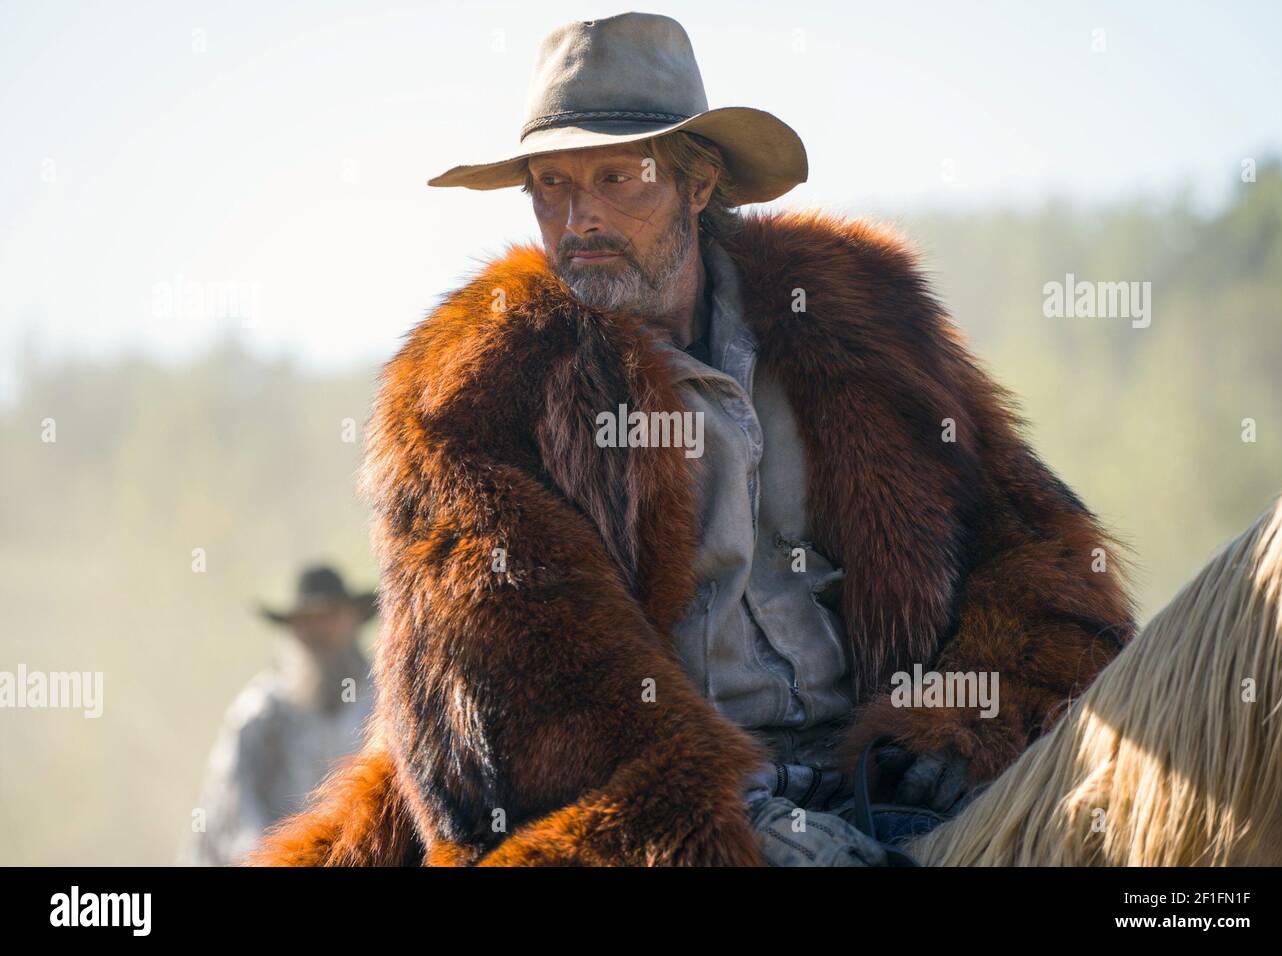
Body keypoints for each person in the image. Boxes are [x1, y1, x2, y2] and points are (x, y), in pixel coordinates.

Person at [252, 12, 1134, 867]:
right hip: (663, 816)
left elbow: (1035, 556)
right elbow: (511, 691)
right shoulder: (476, 389)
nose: (578, 220)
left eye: (617, 178)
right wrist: (739, 826)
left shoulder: (863, 321)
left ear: (698, 183)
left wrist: (960, 729)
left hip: (894, 775)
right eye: (552, 186)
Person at [179, 565, 377, 866]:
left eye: (329, 616)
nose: (319, 631)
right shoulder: (260, 715)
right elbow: (230, 812)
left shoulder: (387, 706)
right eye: (307, 620)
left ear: (353, 620)